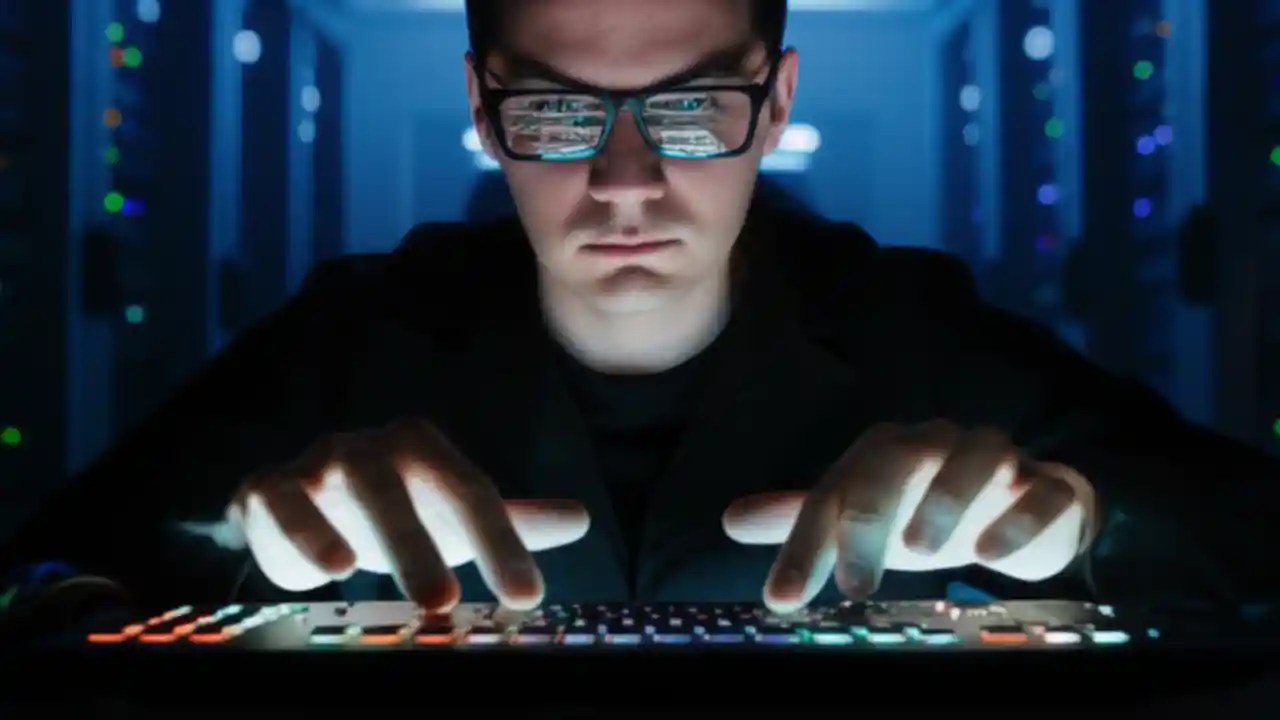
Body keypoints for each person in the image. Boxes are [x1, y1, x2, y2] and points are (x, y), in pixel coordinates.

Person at [2, 0, 1279, 617]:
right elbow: (50, 566)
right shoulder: (358, 326)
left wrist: (1087, 524)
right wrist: (239, 534)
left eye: (690, 108)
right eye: (559, 111)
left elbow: (1243, 526)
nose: (625, 182)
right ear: (482, 107)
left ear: (775, 105)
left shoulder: (906, 318)